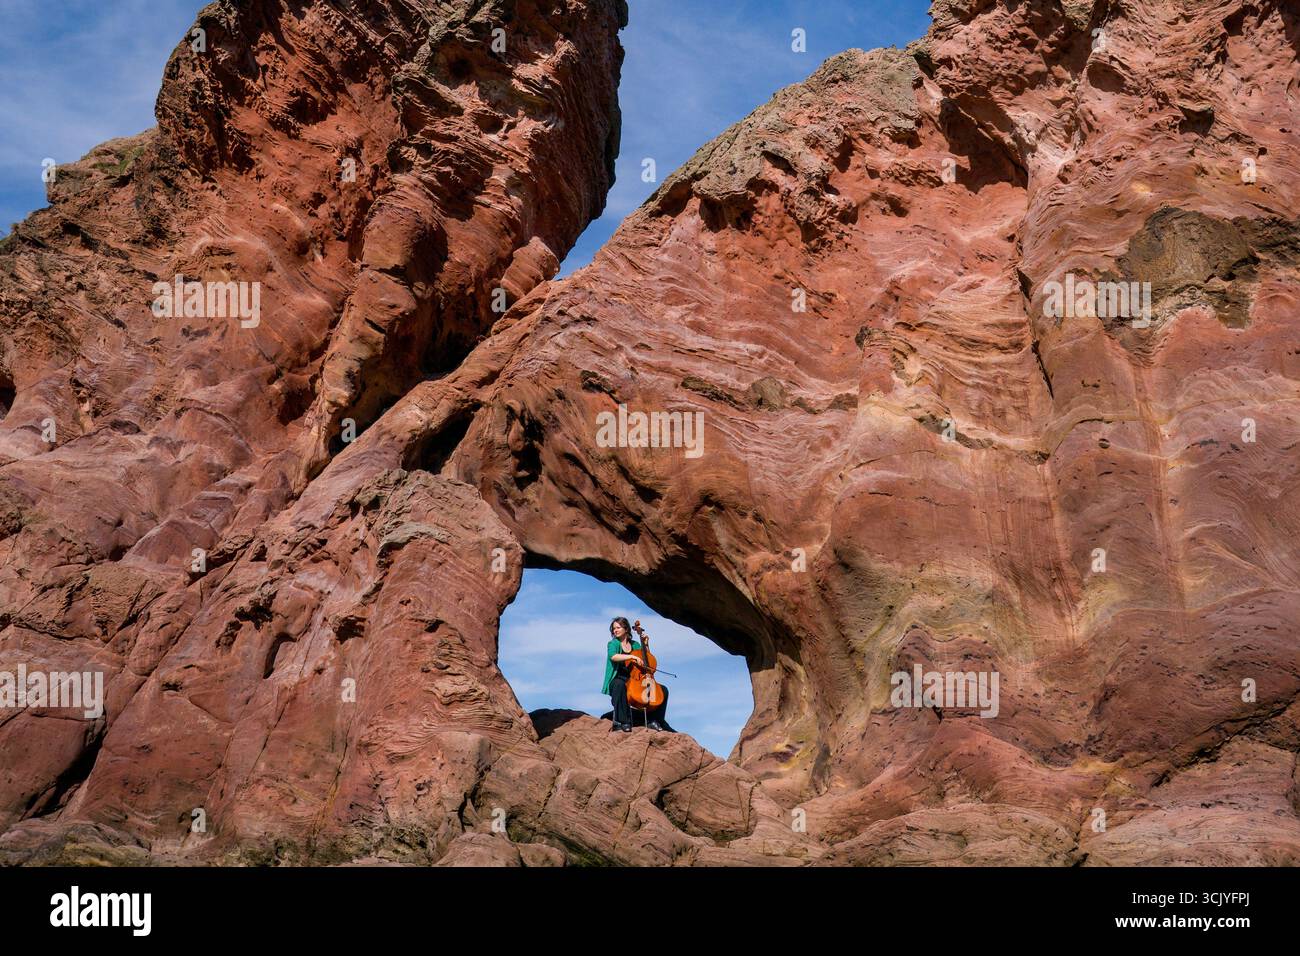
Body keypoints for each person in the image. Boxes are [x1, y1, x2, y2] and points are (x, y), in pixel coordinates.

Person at [602, 617, 672, 733]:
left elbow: (647, 660)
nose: (615, 630)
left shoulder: (635, 645)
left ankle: (654, 720)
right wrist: (631, 656)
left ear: (626, 629)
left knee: (663, 690)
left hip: (636, 679)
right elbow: (613, 656)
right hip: (619, 678)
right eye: (614, 628)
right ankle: (623, 722)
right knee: (619, 685)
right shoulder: (613, 643)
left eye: (618, 627)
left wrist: (646, 644)